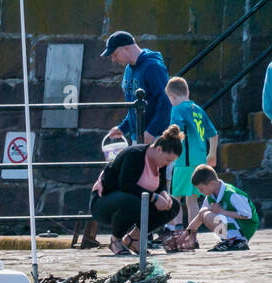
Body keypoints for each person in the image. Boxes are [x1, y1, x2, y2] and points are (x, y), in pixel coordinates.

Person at [90, 123, 184, 254]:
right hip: (105, 204)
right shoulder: (135, 155)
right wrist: (154, 197)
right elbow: (126, 186)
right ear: (158, 149)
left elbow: (160, 185)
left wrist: (164, 195)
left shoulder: (159, 163)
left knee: (173, 205)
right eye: (168, 160)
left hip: (135, 202)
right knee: (132, 201)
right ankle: (115, 240)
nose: (167, 164)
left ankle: (133, 238)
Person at [165, 77, 218, 228]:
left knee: (175, 197)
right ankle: (192, 233)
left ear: (172, 96)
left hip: (184, 161)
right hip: (200, 160)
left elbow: (175, 131)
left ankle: (176, 228)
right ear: (187, 92)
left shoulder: (177, 109)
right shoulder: (198, 110)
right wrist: (212, 154)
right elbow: (213, 134)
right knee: (192, 199)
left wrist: (165, 146)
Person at [102, 30, 170, 145]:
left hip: (157, 138)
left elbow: (166, 101)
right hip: (138, 137)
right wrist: (123, 128)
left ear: (126, 48)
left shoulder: (153, 67)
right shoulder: (128, 69)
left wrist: (152, 132)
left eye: (115, 54)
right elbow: (135, 106)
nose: (113, 59)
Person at [185, 164, 260, 251]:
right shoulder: (211, 195)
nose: (200, 192)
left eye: (201, 189)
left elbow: (247, 215)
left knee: (210, 215)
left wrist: (222, 211)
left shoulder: (232, 194)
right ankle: (229, 240)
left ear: (211, 183)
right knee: (205, 214)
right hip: (231, 221)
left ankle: (238, 241)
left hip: (245, 227)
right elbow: (201, 214)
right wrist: (187, 233)